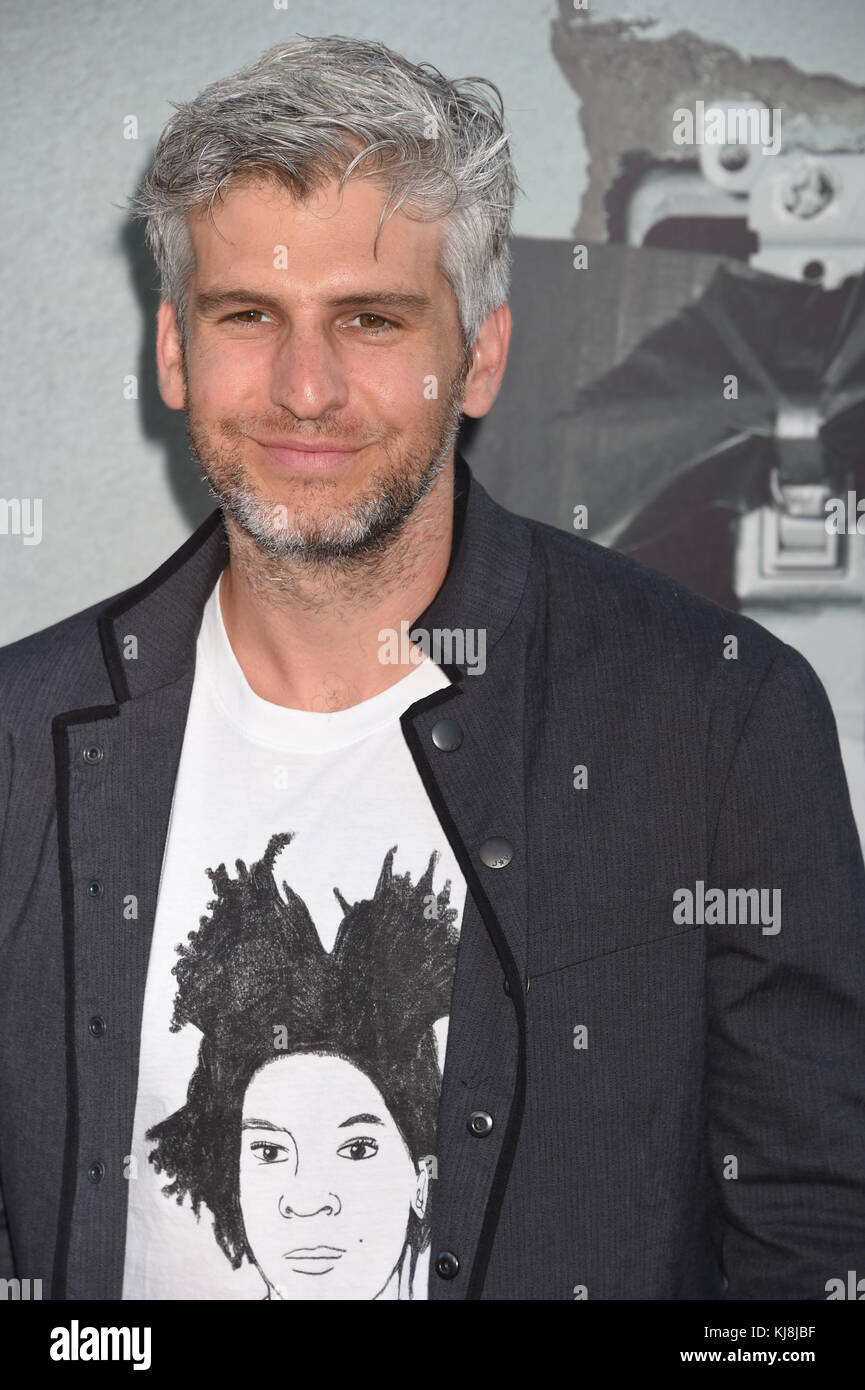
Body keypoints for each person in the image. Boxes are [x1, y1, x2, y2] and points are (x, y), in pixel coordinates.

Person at [1, 34, 864, 1302]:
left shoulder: (719, 716)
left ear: (480, 356)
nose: (305, 388)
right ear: (175, 352)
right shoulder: (21, 737)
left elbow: (813, 1225)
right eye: (249, 316)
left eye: (370, 318)